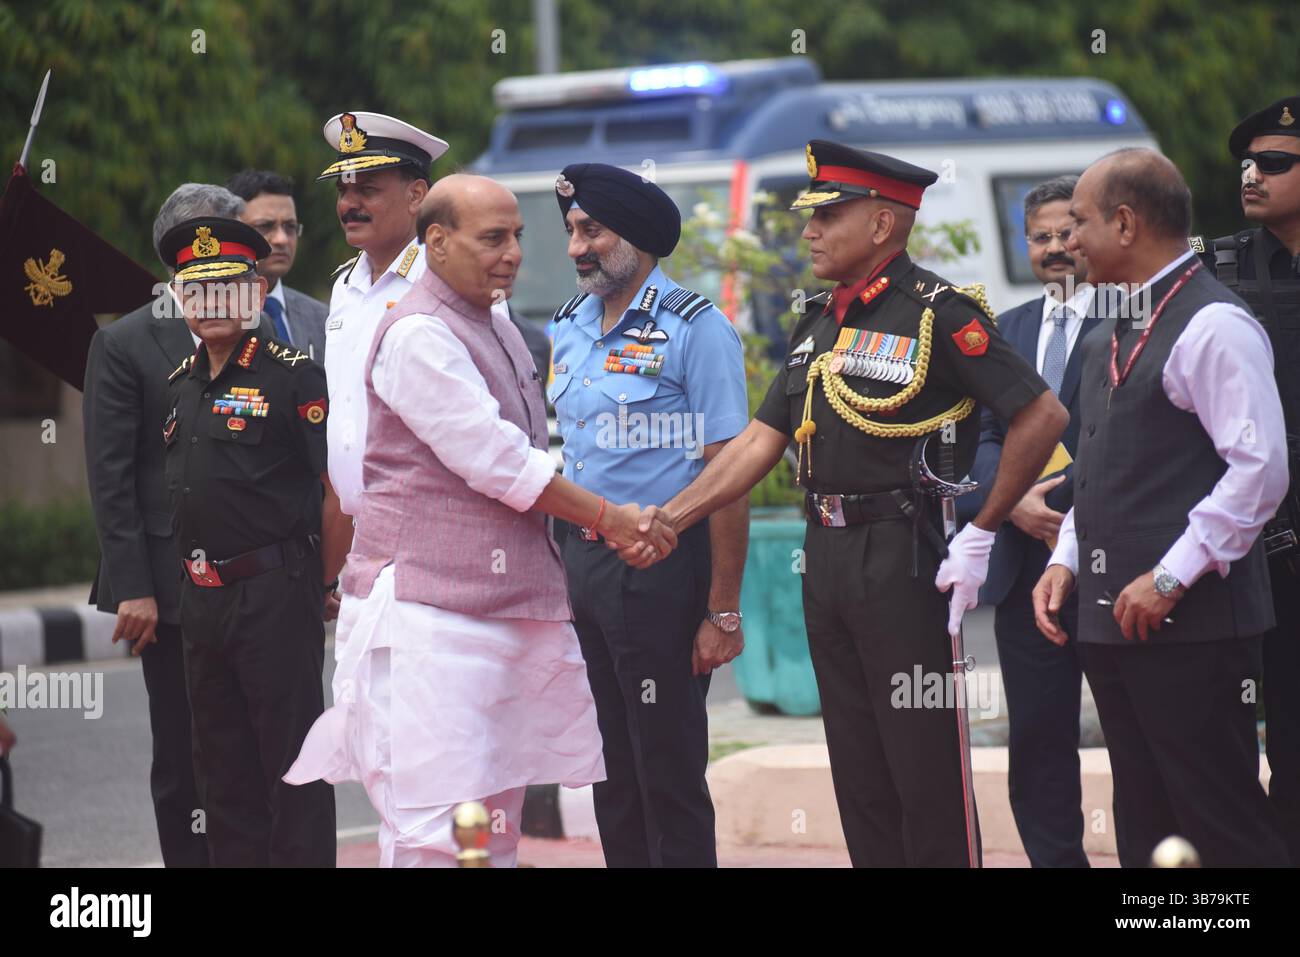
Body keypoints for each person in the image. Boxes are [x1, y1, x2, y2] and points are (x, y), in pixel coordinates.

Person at [624, 140, 1067, 867]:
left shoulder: (937, 312)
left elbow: (1041, 415)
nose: (809, 230)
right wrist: (672, 517)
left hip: (903, 552)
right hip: (825, 553)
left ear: (883, 224)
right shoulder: (818, 318)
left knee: (924, 768)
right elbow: (759, 441)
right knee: (858, 767)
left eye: (829, 214)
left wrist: (984, 527)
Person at [286, 174, 677, 867]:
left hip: (501, 611)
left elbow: (531, 456)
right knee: (433, 833)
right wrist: (614, 518)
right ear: (436, 242)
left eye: (519, 236)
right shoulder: (416, 333)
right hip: (427, 620)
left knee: (492, 829)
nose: (514, 253)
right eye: (493, 237)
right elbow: (501, 463)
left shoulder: (493, 321)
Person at [1033, 148, 1290, 867]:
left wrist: (1173, 574)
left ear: (1125, 222)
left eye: (1079, 222)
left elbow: (1260, 469)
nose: (1068, 241)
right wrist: (1065, 559)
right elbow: (1102, 465)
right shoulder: (1110, 329)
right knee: (1146, 820)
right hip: (1115, 621)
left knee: (1221, 819)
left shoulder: (1214, 325)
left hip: (1193, 625)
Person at [549, 163, 749, 867]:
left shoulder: (698, 329)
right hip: (584, 563)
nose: (576, 245)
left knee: (666, 768)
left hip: (660, 568)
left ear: (635, 237)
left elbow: (730, 475)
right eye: (572, 230)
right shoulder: (568, 325)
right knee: (610, 764)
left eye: (592, 230)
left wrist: (722, 609)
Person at [160, 215, 345, 866]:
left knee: (292, 768)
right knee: (221, 771)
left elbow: (338, 491)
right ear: (181, 298)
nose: (211, 303)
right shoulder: (181, 384)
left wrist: (320, 582)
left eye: (228, 288)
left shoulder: (292, 376)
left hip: (274, 594)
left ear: (256, 294)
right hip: (202, 602)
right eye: (197, 289)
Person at [82, 183, 257, 868]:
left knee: (254, 745)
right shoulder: (125, 343)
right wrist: (133, 586)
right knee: (187, 750)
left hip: (258, 580)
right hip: (168, 588)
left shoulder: (263, 334)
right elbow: (113, 474)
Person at [959, 175, 1101, 867]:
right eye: (1040, 237)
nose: (1055, 248)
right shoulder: (1004, 329)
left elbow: (1136, 439)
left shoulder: (1134, 319)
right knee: (1040, 741)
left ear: (1096, 232)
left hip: (1110, 565)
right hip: (1023, 575)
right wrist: (1011, 499)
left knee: (1138, 736)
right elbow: (980, 436)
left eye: (1067, 233)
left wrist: (1061, 498)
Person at [1194, 94, 1300, 866]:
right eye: (1248, 163)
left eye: (1275, 163)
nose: (1252, 175)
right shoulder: (1218, 268)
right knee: (1229, 727)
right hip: (1249, 540)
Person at [227, 169, 328, 360]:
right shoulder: (210, 315)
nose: (282, 239)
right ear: (233, 230)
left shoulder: (322, 319)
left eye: (290, 227)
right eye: (265, 226)